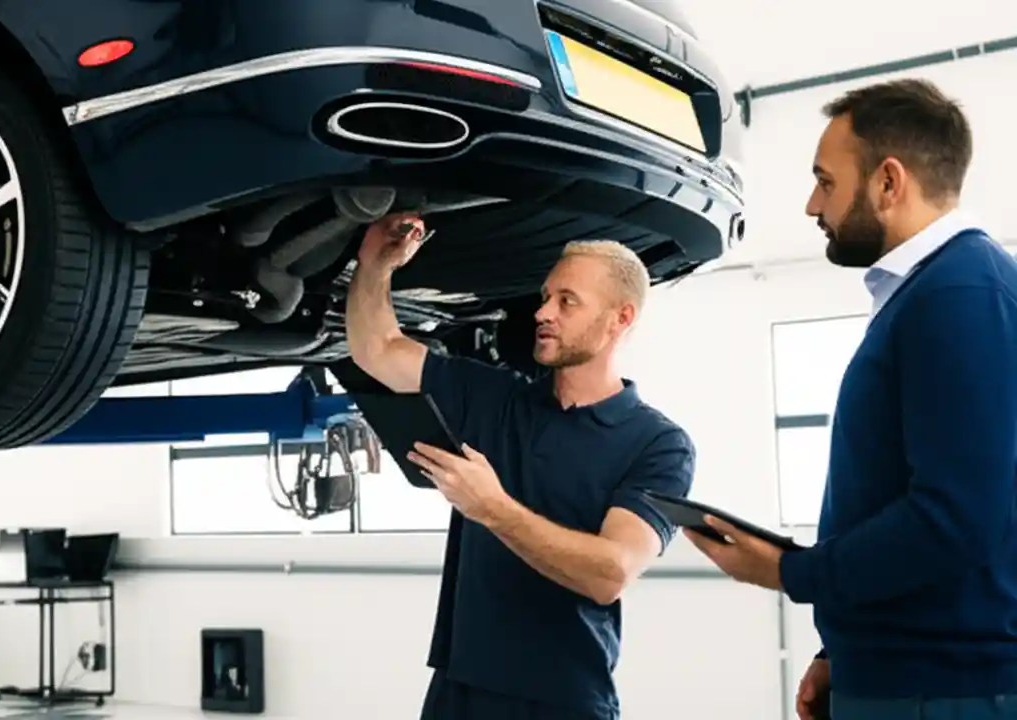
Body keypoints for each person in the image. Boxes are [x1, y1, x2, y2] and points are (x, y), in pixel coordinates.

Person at [686, 78, 1017, 720]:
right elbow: (894, 496)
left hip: (946, 691)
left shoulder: (960, 296)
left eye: (825, 181)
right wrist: (842, 648)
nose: (813, 205)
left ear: (888, 182)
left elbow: (955, 520)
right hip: (905, 676)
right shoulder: (934, 293)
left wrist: (791, 572)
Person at [345, 216, 696, 719]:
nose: (543, 312)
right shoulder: (495, 397)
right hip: (458, 690)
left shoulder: (659, 445)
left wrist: (492, 507)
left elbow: (611, 572)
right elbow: (377, 349)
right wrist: (374, 265)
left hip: (562, 700)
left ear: (620, 319)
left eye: (567, 301)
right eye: (546, 296)